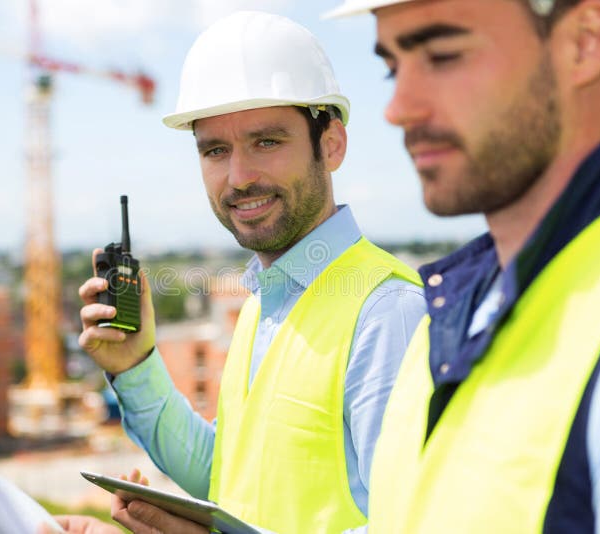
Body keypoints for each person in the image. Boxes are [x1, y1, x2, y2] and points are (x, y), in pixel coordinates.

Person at [69, 10, 426, 534]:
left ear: (331, 144)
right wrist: (134, 366)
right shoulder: (263, 300)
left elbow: (411, 525)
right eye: (216, 150)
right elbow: (231, 477)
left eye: (266, 142)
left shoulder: (386, 312)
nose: (239, 177)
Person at [324, 0, 600, 532]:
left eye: (443, 55)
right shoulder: (450, 308)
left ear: (585, 41)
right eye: (392, 65)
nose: (397, 107)